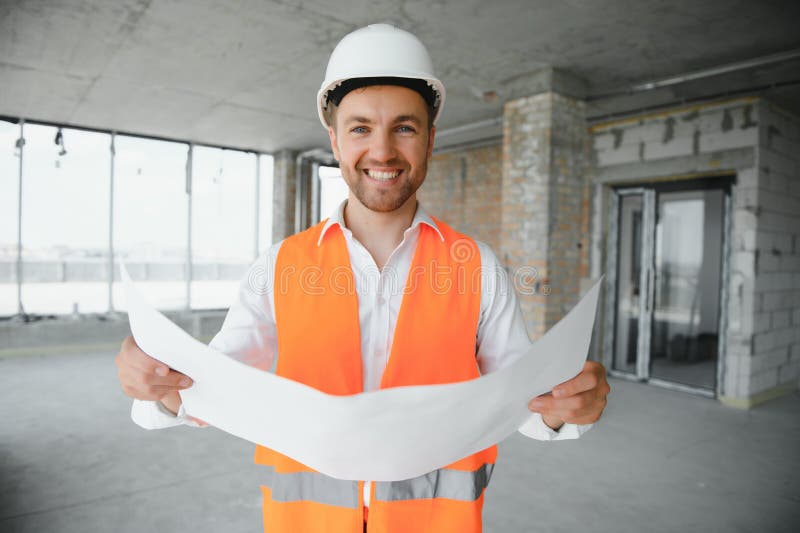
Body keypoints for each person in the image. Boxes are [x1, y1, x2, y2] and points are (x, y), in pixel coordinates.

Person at [115, 23, 610, 533]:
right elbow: (215, 387)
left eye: (404, 127)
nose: (382, 151)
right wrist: (158, 385)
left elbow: (523, 405)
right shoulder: (280, 267)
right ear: (333, 138)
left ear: (430, 139)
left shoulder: (477, 267)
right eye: (359, 128)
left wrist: (568, 405)